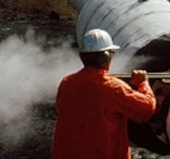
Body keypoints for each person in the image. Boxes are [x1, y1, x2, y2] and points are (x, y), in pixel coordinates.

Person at [52, 28, 157, 159]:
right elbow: (147, 109)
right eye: (112, 53)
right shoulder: (113, 87)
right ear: (105, 57)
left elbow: (61, 107)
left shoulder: (67, 82)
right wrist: (142, 83)